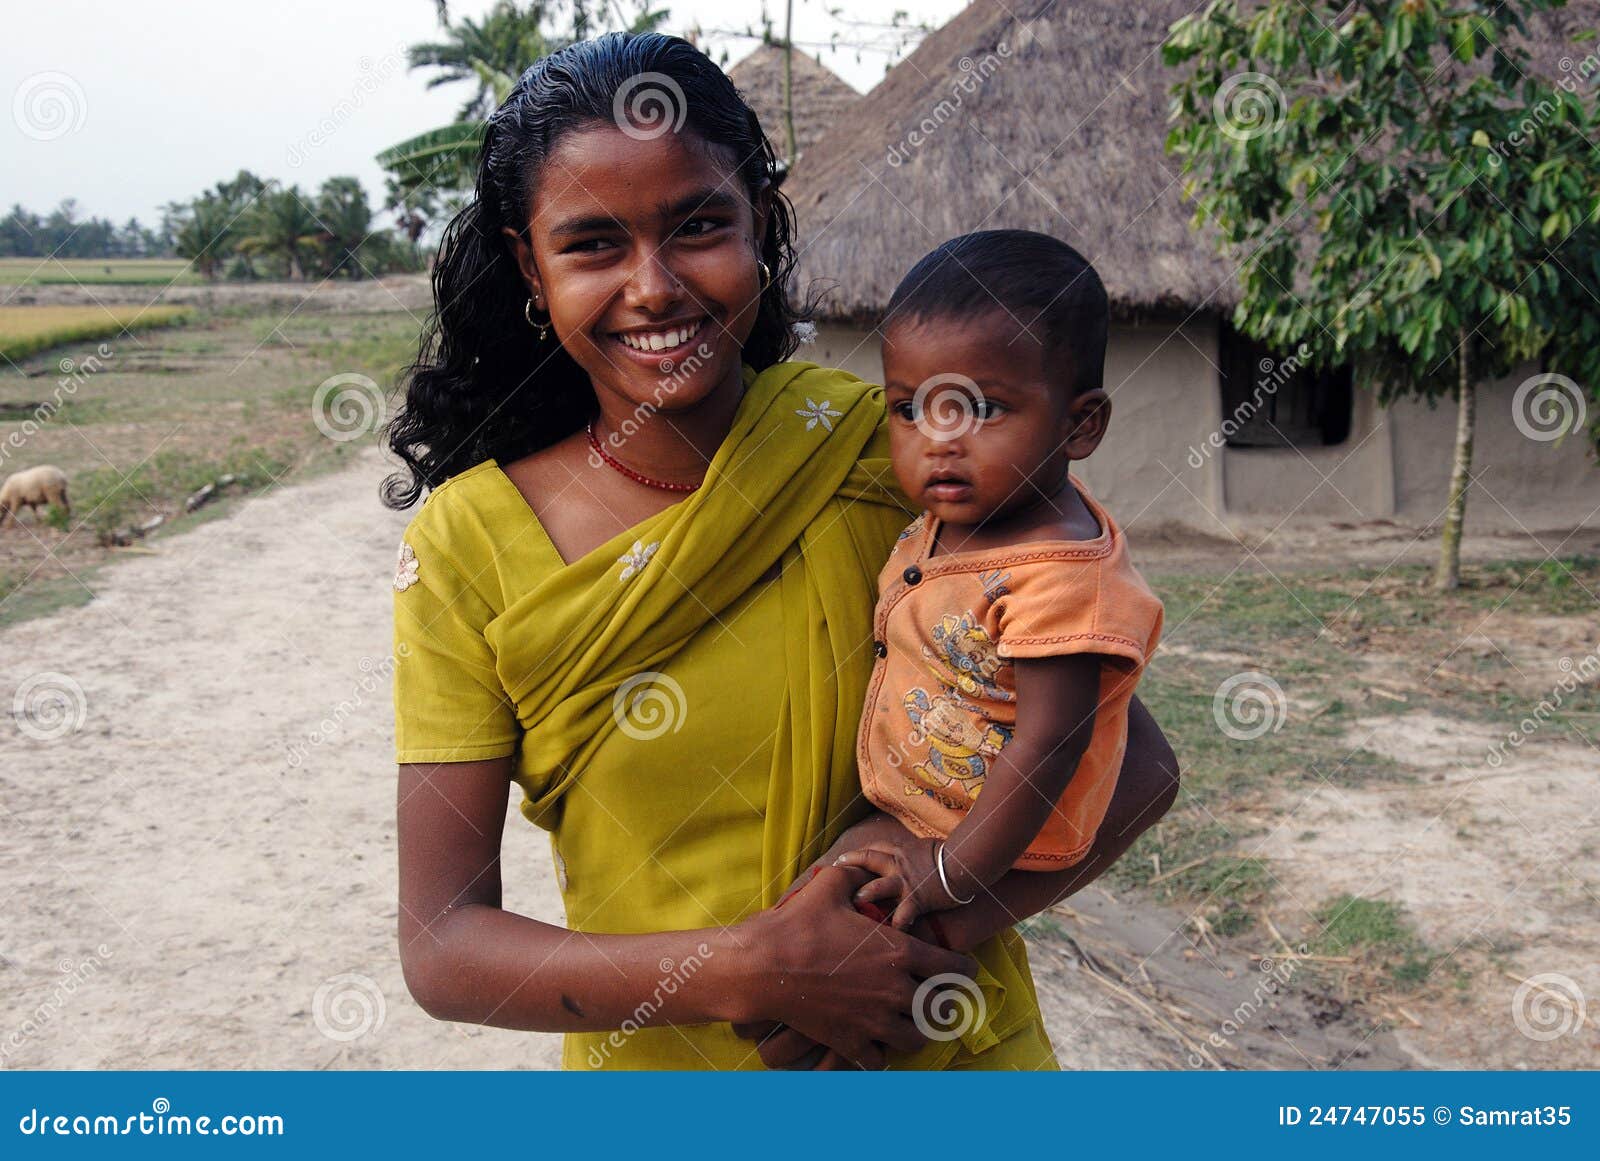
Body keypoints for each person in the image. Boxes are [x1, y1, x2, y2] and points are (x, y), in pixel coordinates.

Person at [385, 31, 1179, 1071]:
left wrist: (917, 929)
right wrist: (753, 972)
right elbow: (444, 947)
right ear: (530, 267)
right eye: (592, 246)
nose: (656, 286)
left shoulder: (889, 458)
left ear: (759, 221)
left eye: (699, 226)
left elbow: (1137, 765)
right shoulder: (467, 545)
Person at [833, 232, 1164, 935]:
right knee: (793, 966)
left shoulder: (1060, 577)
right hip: (915, 813)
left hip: (972, 844)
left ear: (1080, 425)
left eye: (982, 409)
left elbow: (1051, 743)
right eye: (909, 409)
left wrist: (952, 874)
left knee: (826, 981)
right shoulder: (964, 514)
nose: (939, 440)